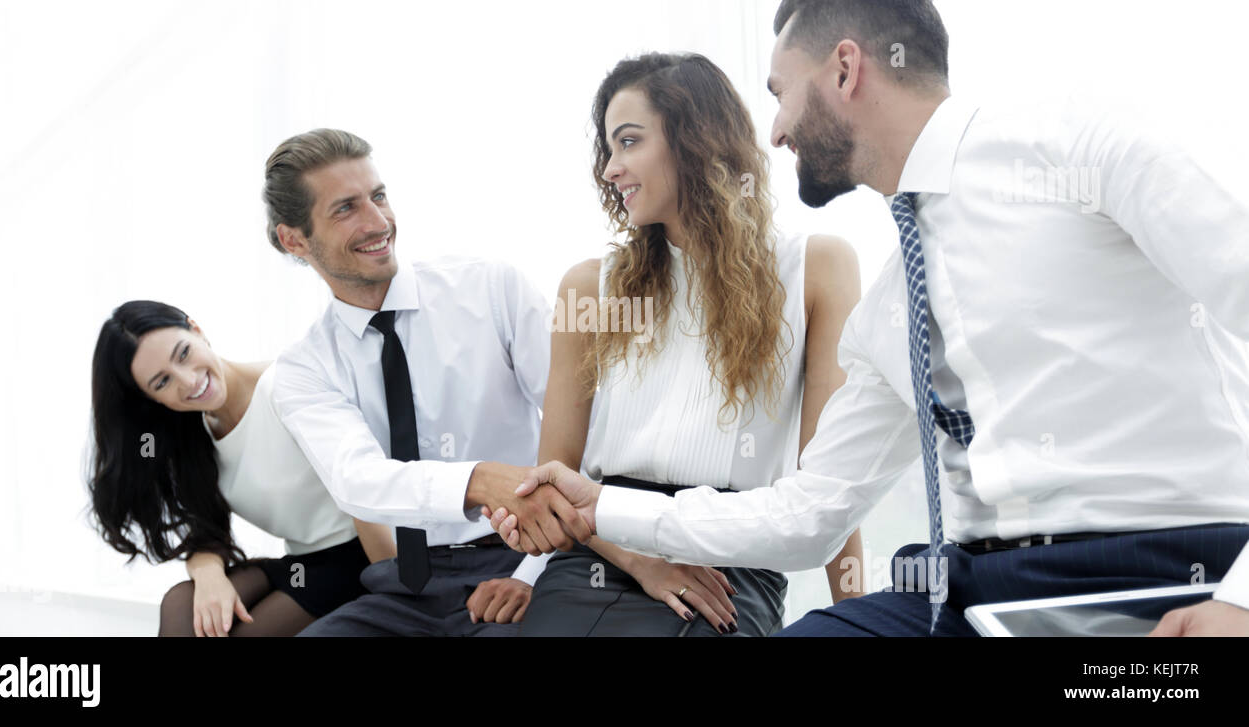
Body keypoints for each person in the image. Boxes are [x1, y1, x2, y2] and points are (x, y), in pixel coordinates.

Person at [491, 0, 1249, 636]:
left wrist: (1241, 595)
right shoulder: (890, 306)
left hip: (1167, 568)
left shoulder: (1078, 148)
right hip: (967, 589)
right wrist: (609, 509)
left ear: (846, 71)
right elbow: (812, 509)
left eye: (781, 93)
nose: (777, 131)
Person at [503, 52, 864, 637]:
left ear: (694, 139)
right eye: (609, 150)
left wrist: (855, 615)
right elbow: (552, 479)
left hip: (730, 560)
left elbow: (833, 481)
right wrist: (644, 561)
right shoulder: (587, 286)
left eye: (628, 142)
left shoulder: (816, 267)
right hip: (602, 552)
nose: (611, 169)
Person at [261, 128, 587, 637]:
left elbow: (585, 432)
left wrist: (532, 571)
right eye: (345, 209)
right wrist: (477, 480)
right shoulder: (305, 369)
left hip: (526, 557)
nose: (378, 222)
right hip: (407, 587)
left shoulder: (490, 287)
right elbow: (358, 480)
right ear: (294, 239)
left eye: (379, 196)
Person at [88, 300, 396, 637]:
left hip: (364, 555)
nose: (188, 381)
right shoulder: (195, 433)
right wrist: (209, 577)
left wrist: (399, 597)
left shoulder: (287, 388)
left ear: (197, 330)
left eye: (183, 354)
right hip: (303, 564)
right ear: (151, 399)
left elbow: (368, 490)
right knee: (181, 603)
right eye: (162, 382)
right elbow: (206, 531)